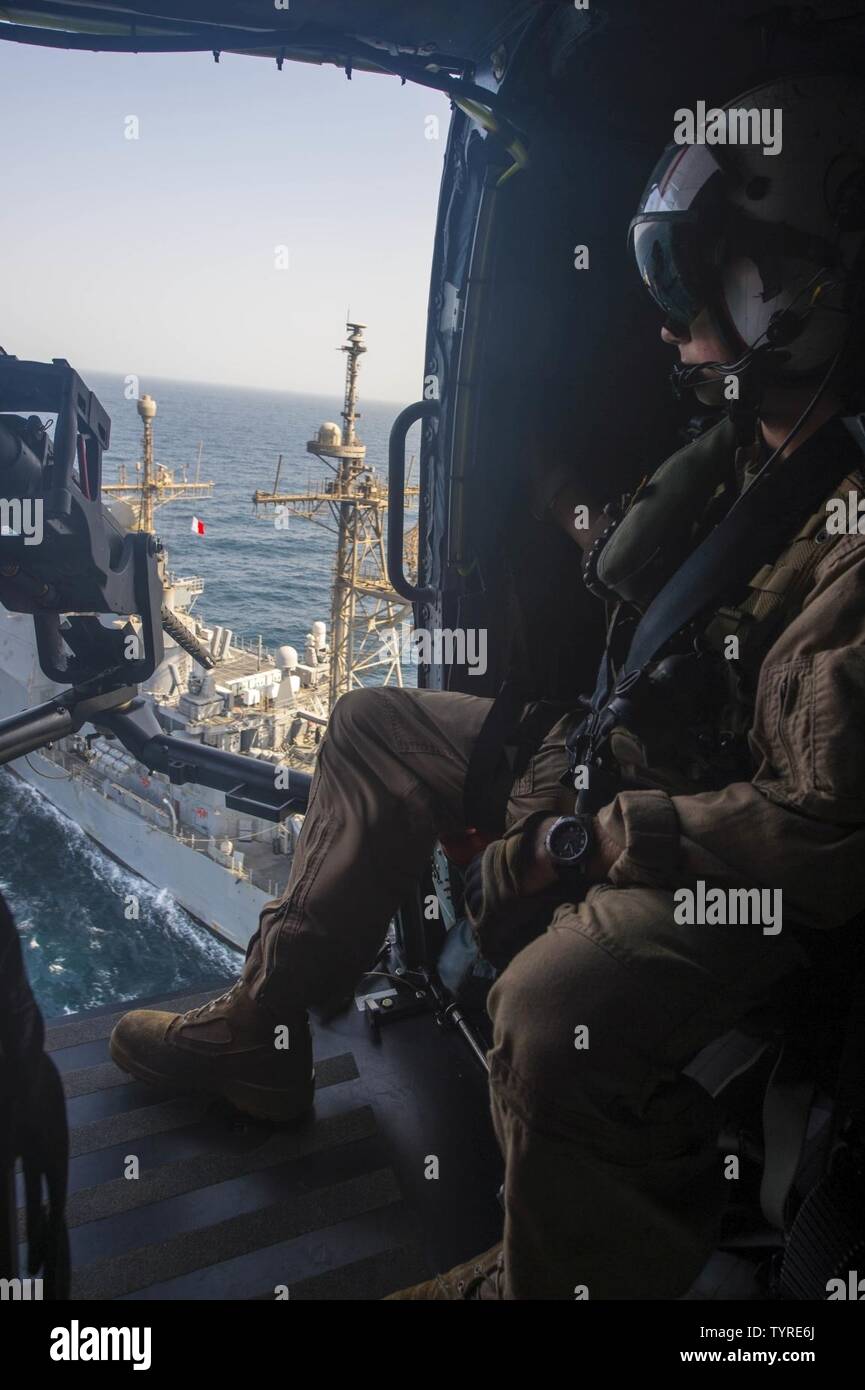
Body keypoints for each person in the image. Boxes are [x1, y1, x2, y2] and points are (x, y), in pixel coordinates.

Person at [111, 74, 865, 1299]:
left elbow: (825, 836)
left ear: (783, 296)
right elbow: (637, 548)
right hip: (632, 765)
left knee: (547, 1000)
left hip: (745, 874)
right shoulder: (746, 451)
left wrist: (605, 836)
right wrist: (552, 492)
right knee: (365, 723)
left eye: (691, 287)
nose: (665, 327)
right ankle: (266, 1033)